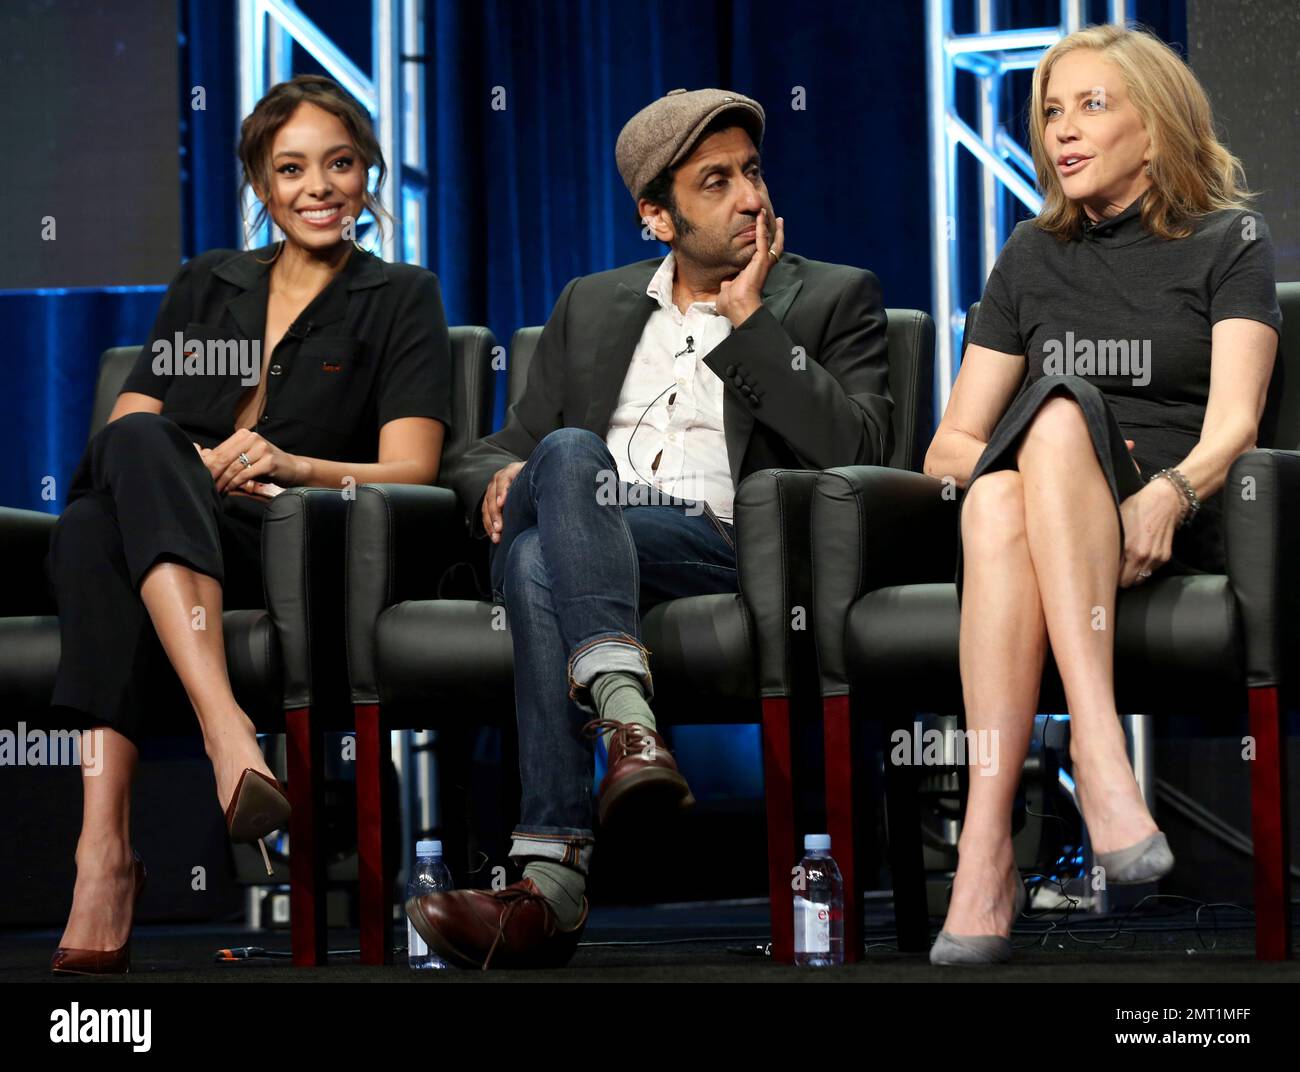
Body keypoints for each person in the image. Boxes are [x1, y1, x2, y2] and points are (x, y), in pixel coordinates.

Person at [407, 87, 893, 969]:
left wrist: (751, 321)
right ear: (656, 217)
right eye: (716, 182)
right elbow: (493, 450)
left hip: (718, 545)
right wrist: (497, 475)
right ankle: (627, 722)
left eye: (753, 172)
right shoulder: (591, 305)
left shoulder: (829, 298)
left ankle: (552, 875)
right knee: (562, 457)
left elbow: (859, 448)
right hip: (592, 516)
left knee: (532, 559)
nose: (751, 197)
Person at [47, 74, 452, 974]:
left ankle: (107, 861)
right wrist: (195, 463)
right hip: (178, 521)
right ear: (262, 188)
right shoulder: (210, 284)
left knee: (91, 528)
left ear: (367, 175)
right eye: (292, 169)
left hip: (286, 537)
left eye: (340, 165)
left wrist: (287, 461)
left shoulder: (398, 298)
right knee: (125, 470)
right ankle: (216, 742)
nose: (318, 188)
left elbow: (413, 468)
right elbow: (132, 428)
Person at [922, 25, 1280, 965]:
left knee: (1038, 442)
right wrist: (1008, 479)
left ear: (1155, 131)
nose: (1061, 132)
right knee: (1015, 474)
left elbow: (1236, 423)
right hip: (1046, 520)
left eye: (1091, 106)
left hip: (1165, 521)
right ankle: (1085, 754)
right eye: (1049, 111)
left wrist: (1169, 492)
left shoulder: (1226, 241)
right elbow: (950, 443)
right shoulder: (1030, 254)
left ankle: (990, 850)